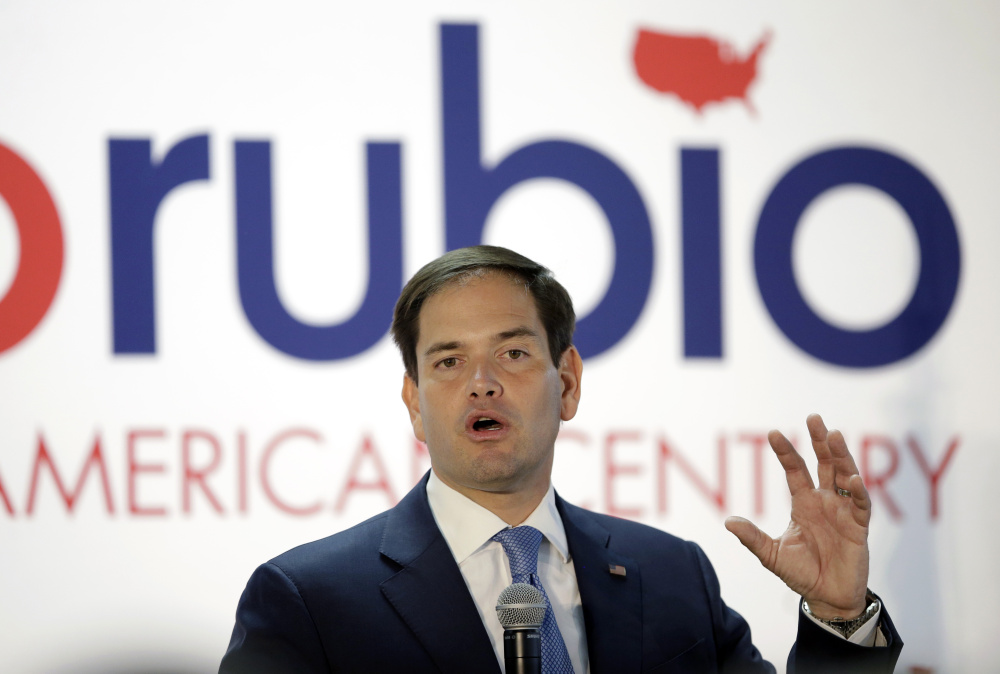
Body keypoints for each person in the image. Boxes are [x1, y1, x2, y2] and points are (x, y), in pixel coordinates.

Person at [220, 245, 902, 673]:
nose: (481, 382)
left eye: (513, 353)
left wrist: (839, 617)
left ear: (568, 382)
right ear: (414, 402)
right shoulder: (308, 600)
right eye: (449, 361)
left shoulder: (672, 577)